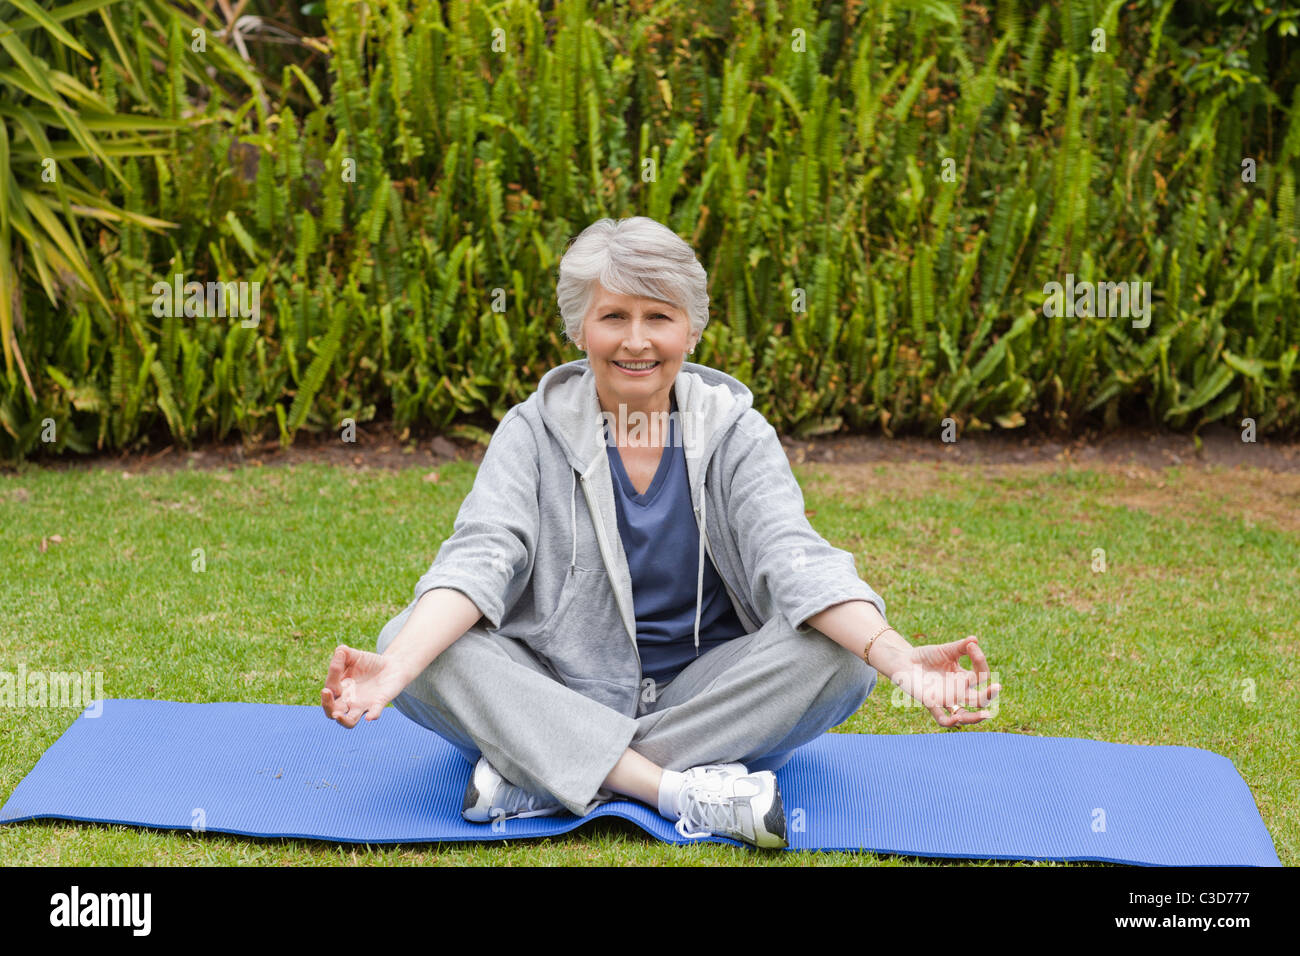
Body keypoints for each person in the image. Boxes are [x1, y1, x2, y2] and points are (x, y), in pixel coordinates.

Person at [321, 216, 1000, 850]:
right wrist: (397, 671)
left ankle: (541, 773)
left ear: (691, 331)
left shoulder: (735, 432)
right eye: (613, 316)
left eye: (659, 317)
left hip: (705, 691)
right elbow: (480, 559)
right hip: (557, 682)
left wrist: (901, 657)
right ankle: (677, 790)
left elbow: (794, 561)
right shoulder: (530, 432)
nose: (637, 340)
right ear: (579, 329)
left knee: (841, 659)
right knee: (409, 645)